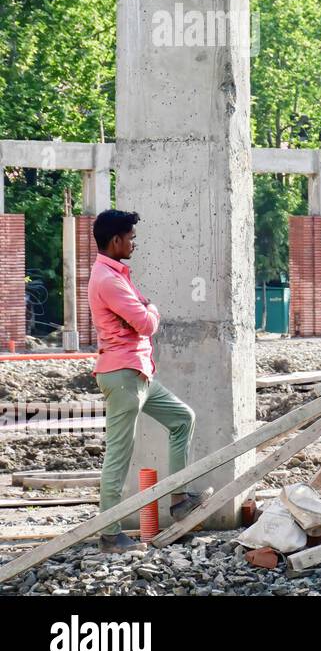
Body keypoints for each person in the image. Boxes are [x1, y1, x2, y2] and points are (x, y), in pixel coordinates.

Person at [88, 210, 210, 553]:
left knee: (182, 417)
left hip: (138, 372)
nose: (133, 244)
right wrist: (152, 307)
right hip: (123, 376)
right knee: (119, 454)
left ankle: (180, 498)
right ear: (115, 241)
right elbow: (146, 322)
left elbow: (139, 318)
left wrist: (144, 308)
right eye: (130, 238)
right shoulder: (108, 280)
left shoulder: (116, 274)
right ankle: (110, 534)